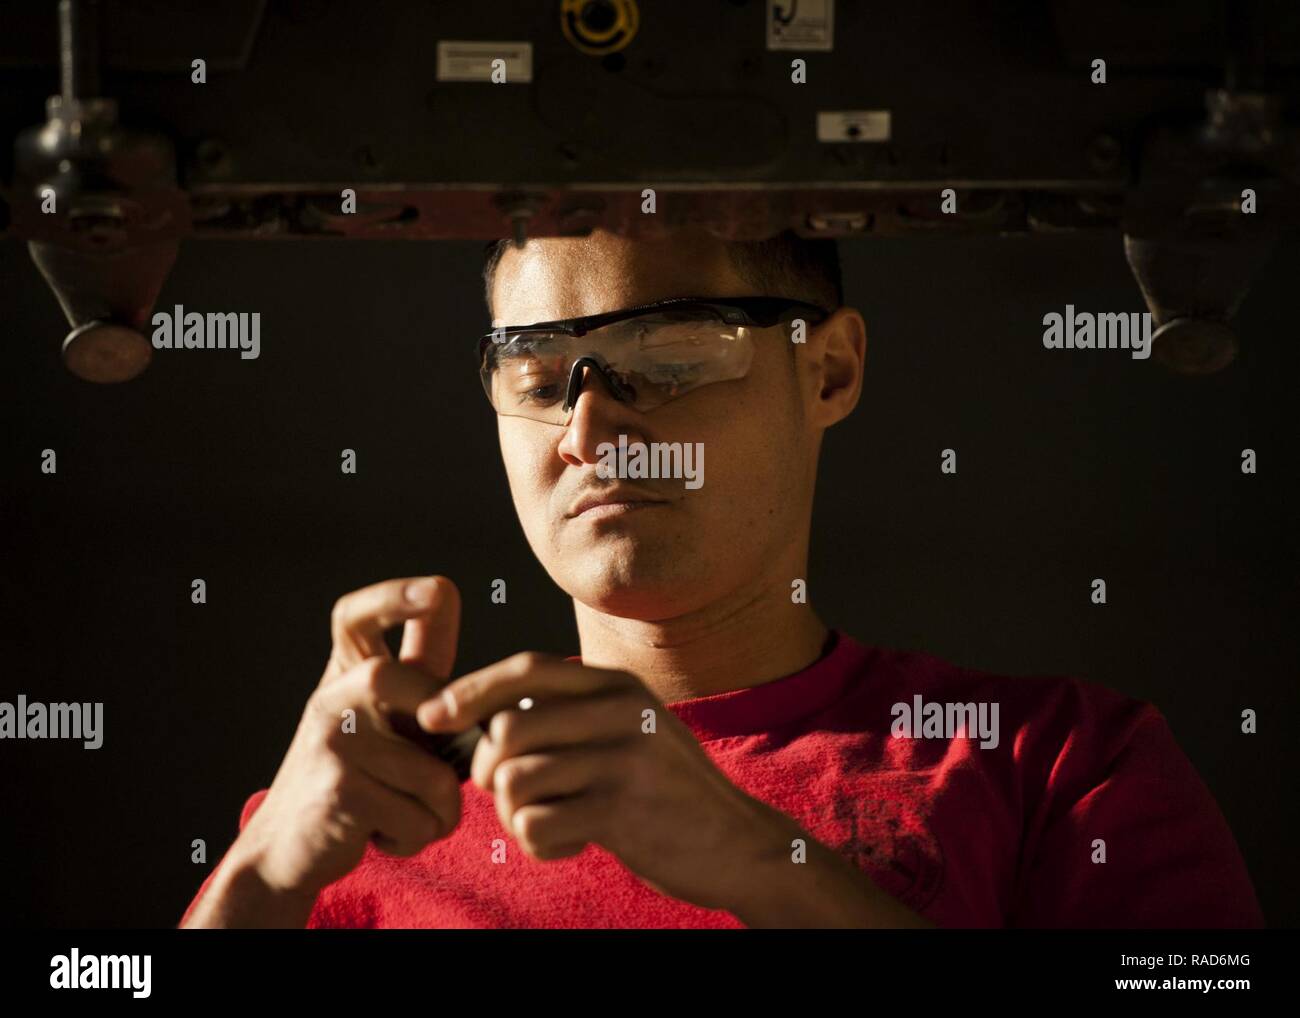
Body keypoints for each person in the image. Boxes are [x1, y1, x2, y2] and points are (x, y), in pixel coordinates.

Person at [179, 226, 1264, 928]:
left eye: (668, 358)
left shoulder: (1061, 766)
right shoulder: (362, 807)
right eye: (540, 376)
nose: (590, 427)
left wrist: (764, 862)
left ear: (828, 369)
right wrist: (258, 880)